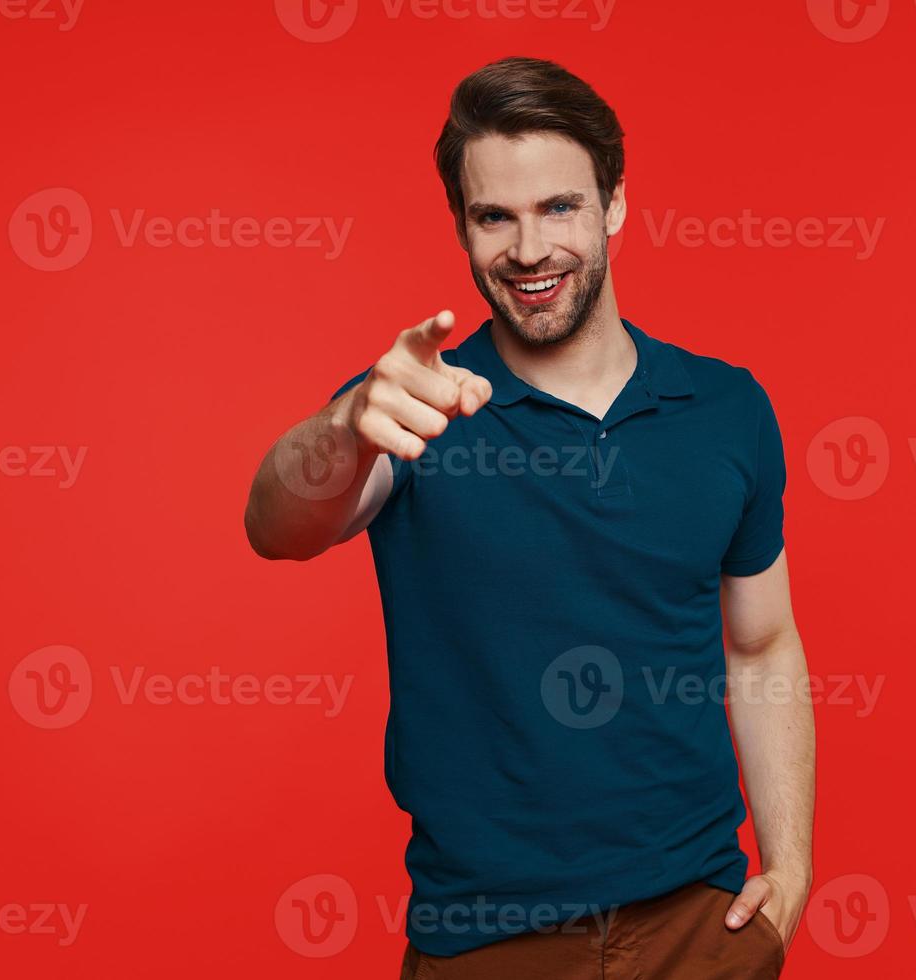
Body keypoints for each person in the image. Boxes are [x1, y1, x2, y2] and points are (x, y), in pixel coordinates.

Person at [244, 56, 814, 979]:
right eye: (494, 217)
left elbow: (761, 645)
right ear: (463, 229)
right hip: (488, 942)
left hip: (702, 932)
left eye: (560, 208)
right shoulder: (414, 404)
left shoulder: (728, 410)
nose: (529, 249)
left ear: (614, 205)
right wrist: (344, 424)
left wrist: (791, 872)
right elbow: (274, 527)